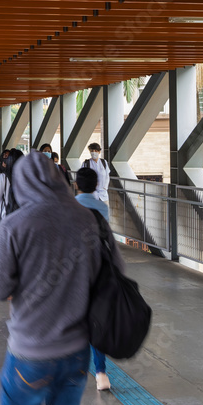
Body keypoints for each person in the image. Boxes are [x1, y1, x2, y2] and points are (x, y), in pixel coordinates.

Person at [0, 151, 125, 405]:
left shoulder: (12, 227)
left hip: (30, 350)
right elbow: (117, 269)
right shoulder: (89, 219)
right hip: (77, 351)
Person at [73, 166, 111, 392]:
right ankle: (101, 373)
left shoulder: (69, 207)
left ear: (76, 184)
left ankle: (73, 368)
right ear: (96, 184)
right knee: (96, 322)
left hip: (73, 271)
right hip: (98, 270)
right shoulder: (103, 208)